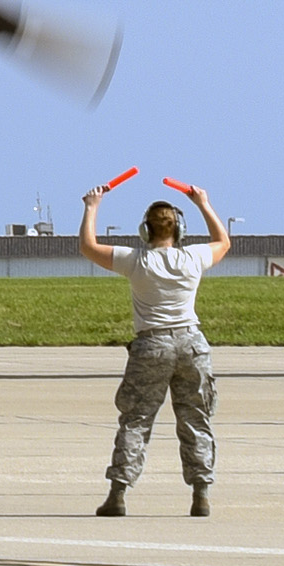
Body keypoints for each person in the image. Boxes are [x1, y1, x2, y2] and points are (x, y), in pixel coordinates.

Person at [77, 180, 230, 517]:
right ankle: (201, 494)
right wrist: (203, 201)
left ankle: (118, 493)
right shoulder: (193, 257)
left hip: (151, 344)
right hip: (192, 344)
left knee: (136, 420)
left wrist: (92, 206)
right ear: (180, 230)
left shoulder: (136, 261)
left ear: (145, 231)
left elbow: (88, 246)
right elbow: (223, 241)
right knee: (196, 419)